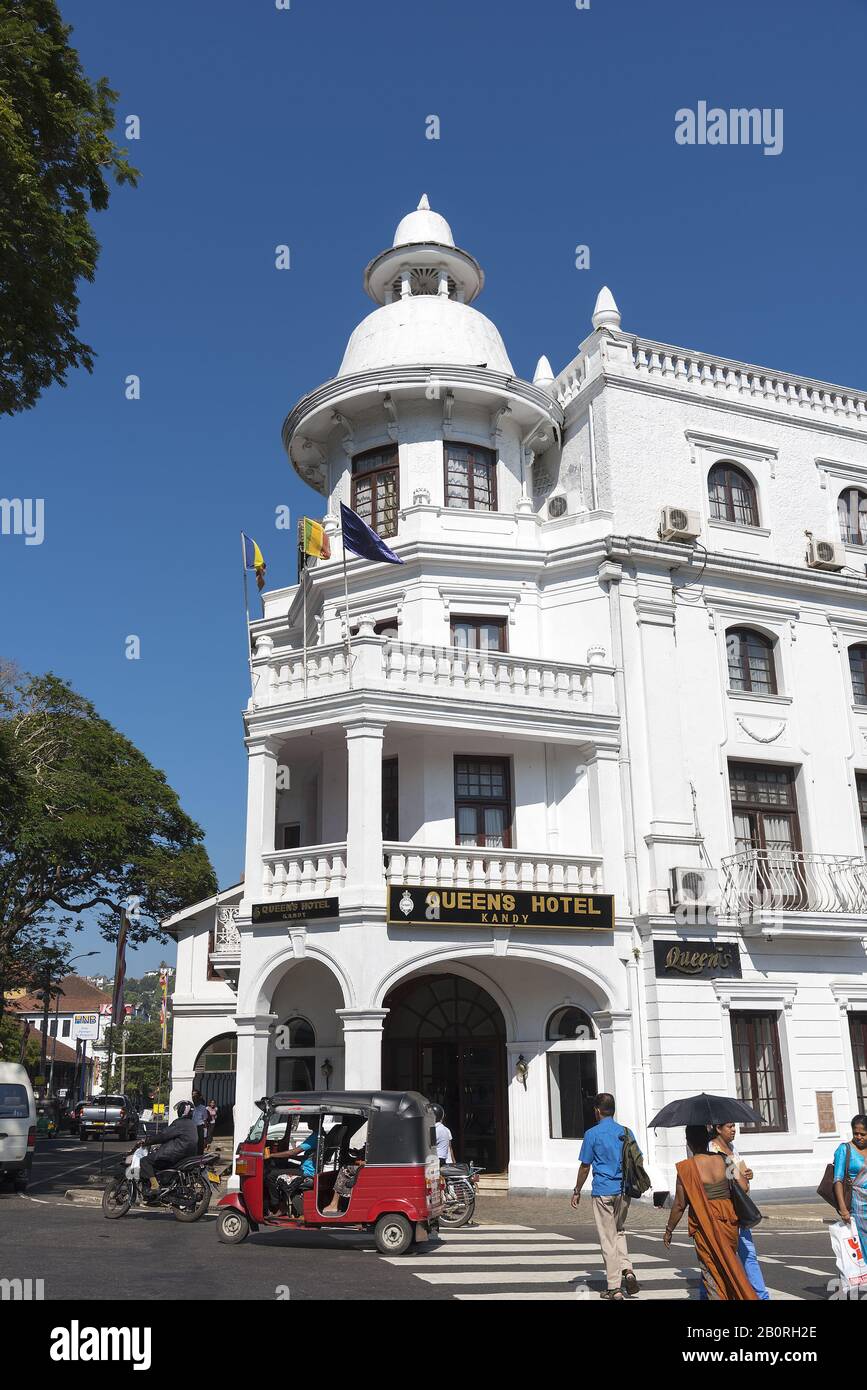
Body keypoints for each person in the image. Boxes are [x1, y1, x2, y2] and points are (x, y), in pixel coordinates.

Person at [663, 1125, 758, 1300]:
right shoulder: (724, 1160)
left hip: (705, 1221)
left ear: (689, 1142)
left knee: (712, 1271)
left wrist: (669, 1230)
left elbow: (679, 1204)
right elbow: (743, 1186)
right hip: (728, 1220)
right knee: (728, 1265)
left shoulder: (687, 1168)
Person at [570, 1092, 640, 1300]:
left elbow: (585, 1166)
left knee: (607, 1238)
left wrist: (576, 1190)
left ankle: (614, 1287)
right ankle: (627, 1270)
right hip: (623, 1190)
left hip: (602, 1190)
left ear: (598, 1111)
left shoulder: (592, 1134)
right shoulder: (626, 1132)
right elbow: (638, 1159)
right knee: (618, 1231)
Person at [710, 1121, 769, 1300]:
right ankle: (708, 1293)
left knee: (748, 1253)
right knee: (720, 1256)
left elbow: (743, 1174)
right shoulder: (714, 1151)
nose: (734, 1130)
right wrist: (739, 1175)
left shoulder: (731, 1148)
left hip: (740, 1208)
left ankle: (761, 1296)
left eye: (734, 1126)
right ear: (718, 1129)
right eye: (729, 1126)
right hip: (727, 1210)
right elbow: (731, 1181)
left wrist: (747, 1173)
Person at [139, 1101, 198, 1202]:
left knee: (145, 1161)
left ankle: (155, 1186)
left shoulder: (179, 1123)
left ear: (181, 1111)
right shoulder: (192, 1124)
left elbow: (163, 1135)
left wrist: (148, 1141)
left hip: (174, 1153)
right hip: (186, 1155)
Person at [833, 1113, 867, 1252]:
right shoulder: (844, 1150)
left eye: (863, 1134)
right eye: (855, 1133)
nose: (859, 1137)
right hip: (856, 1207)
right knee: (861, 1245)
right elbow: (838, 1180)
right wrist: (843, 1210)